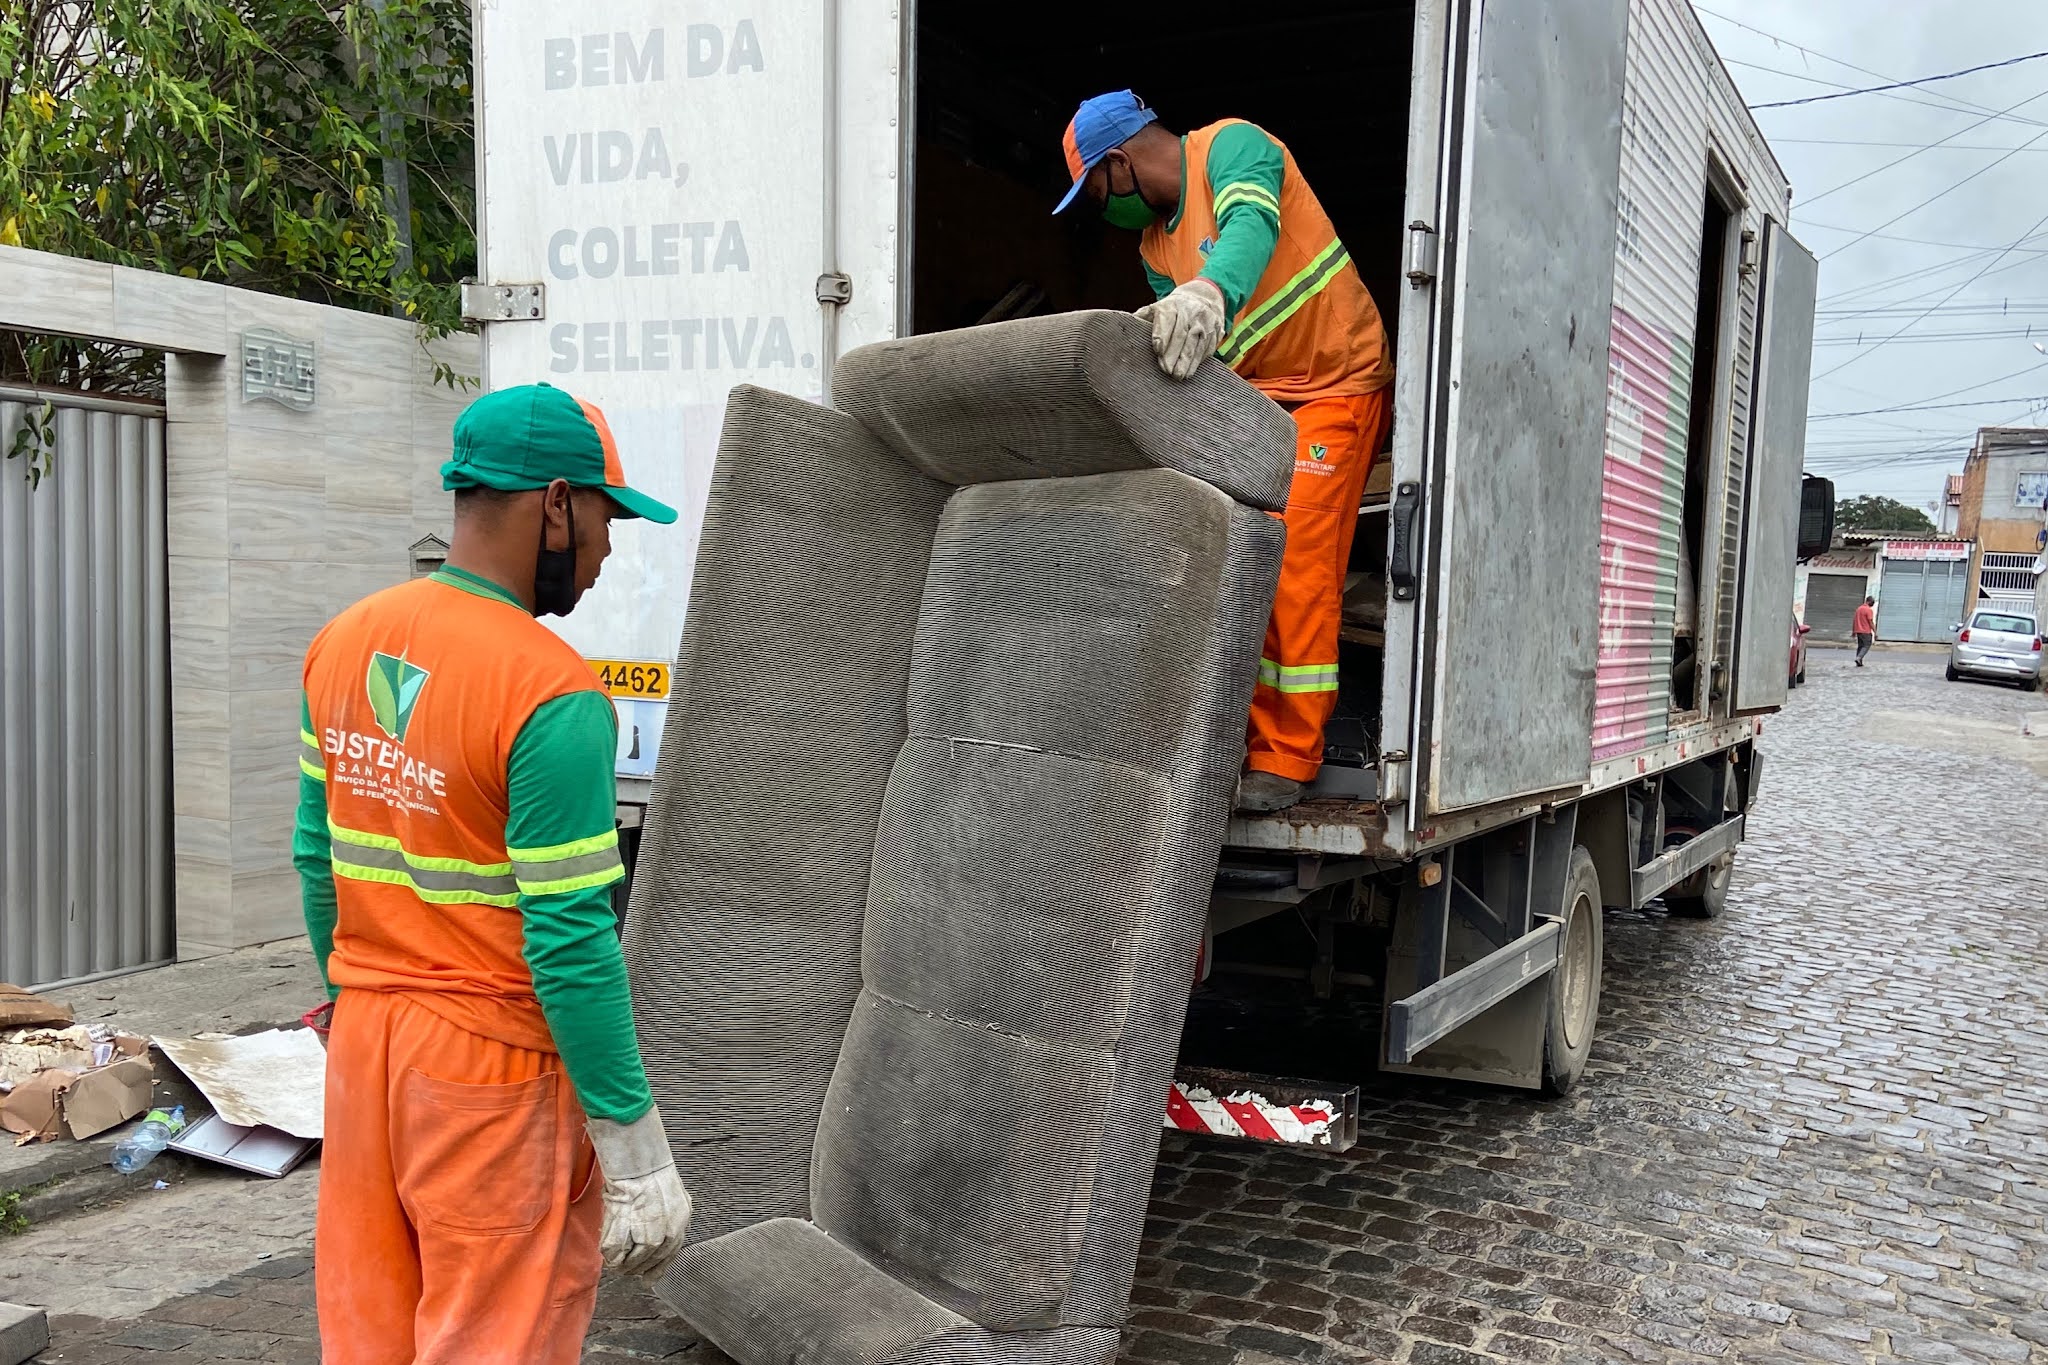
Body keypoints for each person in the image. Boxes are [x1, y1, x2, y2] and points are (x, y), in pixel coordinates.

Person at [293, 383, 693, 1364]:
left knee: (370, 1334)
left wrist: (351, 1007)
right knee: (494, 1340)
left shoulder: (341, 643)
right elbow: (569, 938)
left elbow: (316, 857)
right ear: (555, 504)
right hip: (490, 1075)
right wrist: (634, 1147)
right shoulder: (552, 693)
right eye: (605, 520)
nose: (607, 552)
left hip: (366, 1050)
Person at [1055, 91, 1395, 812]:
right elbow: (1193, 358)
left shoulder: (1232, 148)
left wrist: (1208, 290)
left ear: (1120, 162)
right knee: (1226, 551)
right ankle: (1224, 739)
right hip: (1258, 397)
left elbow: (1250, 226)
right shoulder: (1154, 248)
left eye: (1098, 193)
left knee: (1295, 557)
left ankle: (1286, 757)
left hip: (1337, 381)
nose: (1102, 212)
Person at [1853, 596, 1877, 666]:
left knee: (1860, 646)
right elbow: (1870, 622)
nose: (1873, 604)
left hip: (1858, 631)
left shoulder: (1859, 609)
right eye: (1872, 602)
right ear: (1868, 601)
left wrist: (1853, 631)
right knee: (1866, 645)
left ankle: (1859, 662)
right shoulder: (1868, 610)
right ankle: (1859, 658)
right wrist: (1875, 632)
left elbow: (1854, 621)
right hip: (1866, 632)